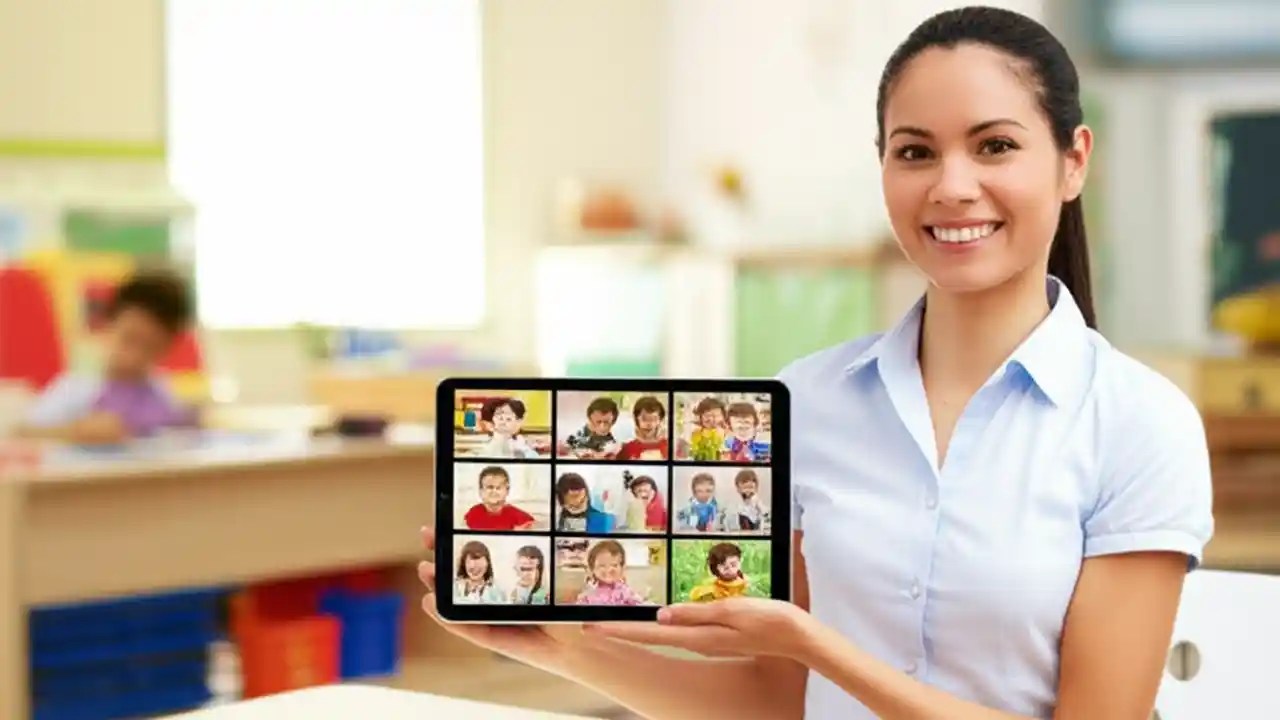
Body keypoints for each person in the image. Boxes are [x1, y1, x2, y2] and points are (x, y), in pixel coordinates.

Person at [415, 8, 1213, 719]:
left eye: (995, 146)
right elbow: (775, 704)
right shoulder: (806, 400)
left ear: (1074, 161)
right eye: (915, 151)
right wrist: (556, 650)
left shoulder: (1139, 425)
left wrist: (815, 645)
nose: (952, 185)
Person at [16, 270, 197, 445]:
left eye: (150, 347)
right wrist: (75, 431)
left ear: (167, 348)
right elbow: (22, 432)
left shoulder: (159, 389)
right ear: (107, 328)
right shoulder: (78, 386)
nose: (134, 357)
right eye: (129, 339)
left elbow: (175, 426)